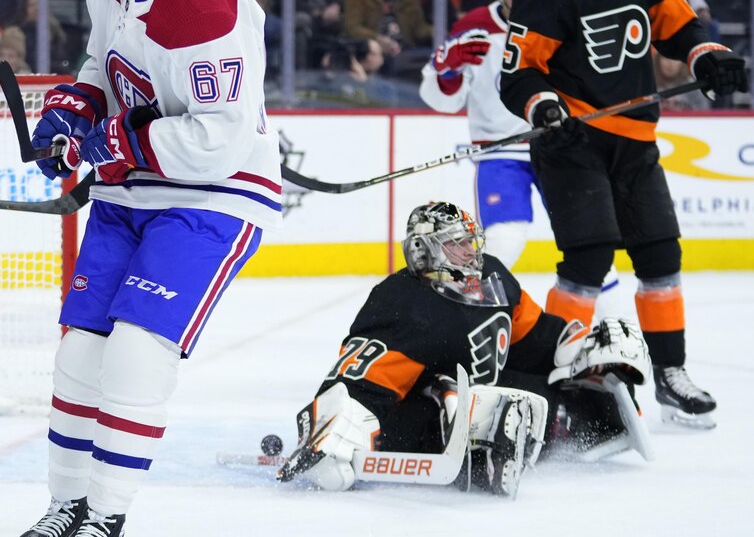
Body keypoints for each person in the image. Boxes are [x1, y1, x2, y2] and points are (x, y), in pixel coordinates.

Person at [19, 0, 281, 536]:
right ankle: (64, 507)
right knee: (79, 354)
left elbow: (216, 139)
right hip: (132, 193)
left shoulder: (209, 4)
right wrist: (73, 107)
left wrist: (107, 146)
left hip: (212, 195)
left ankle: (106, 516)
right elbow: (103, 59)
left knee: (136, 352)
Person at [500, 0, 748, 430]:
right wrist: (543, 108)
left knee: (661, 259)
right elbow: (518, 75)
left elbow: (681, 29)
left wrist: (708, 55)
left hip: (635, 143)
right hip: (573, 143)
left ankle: (670, 375)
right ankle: (548, 381)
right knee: (588, 262)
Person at [278, 202, 652, 497]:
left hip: (483, 386)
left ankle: (569, 425)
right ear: (424, 251)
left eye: (470, 240)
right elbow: (359, 379)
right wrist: (333, 434)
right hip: (421, 418)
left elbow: (534, 337)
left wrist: (583, 350)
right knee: (454, 399)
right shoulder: (403, 301)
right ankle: (479, 448)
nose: (470, 251)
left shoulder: (494, 275)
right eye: (456, 243)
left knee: (561, 392)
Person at [418, 0, 543, 267]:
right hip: (499, 150)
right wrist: (447, 72)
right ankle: (480, 314)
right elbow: (445, 102)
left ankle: (614, 317)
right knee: (505, 238)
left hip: (557, 146)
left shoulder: (558, 22)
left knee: (586, 243)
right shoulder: (474, 25)